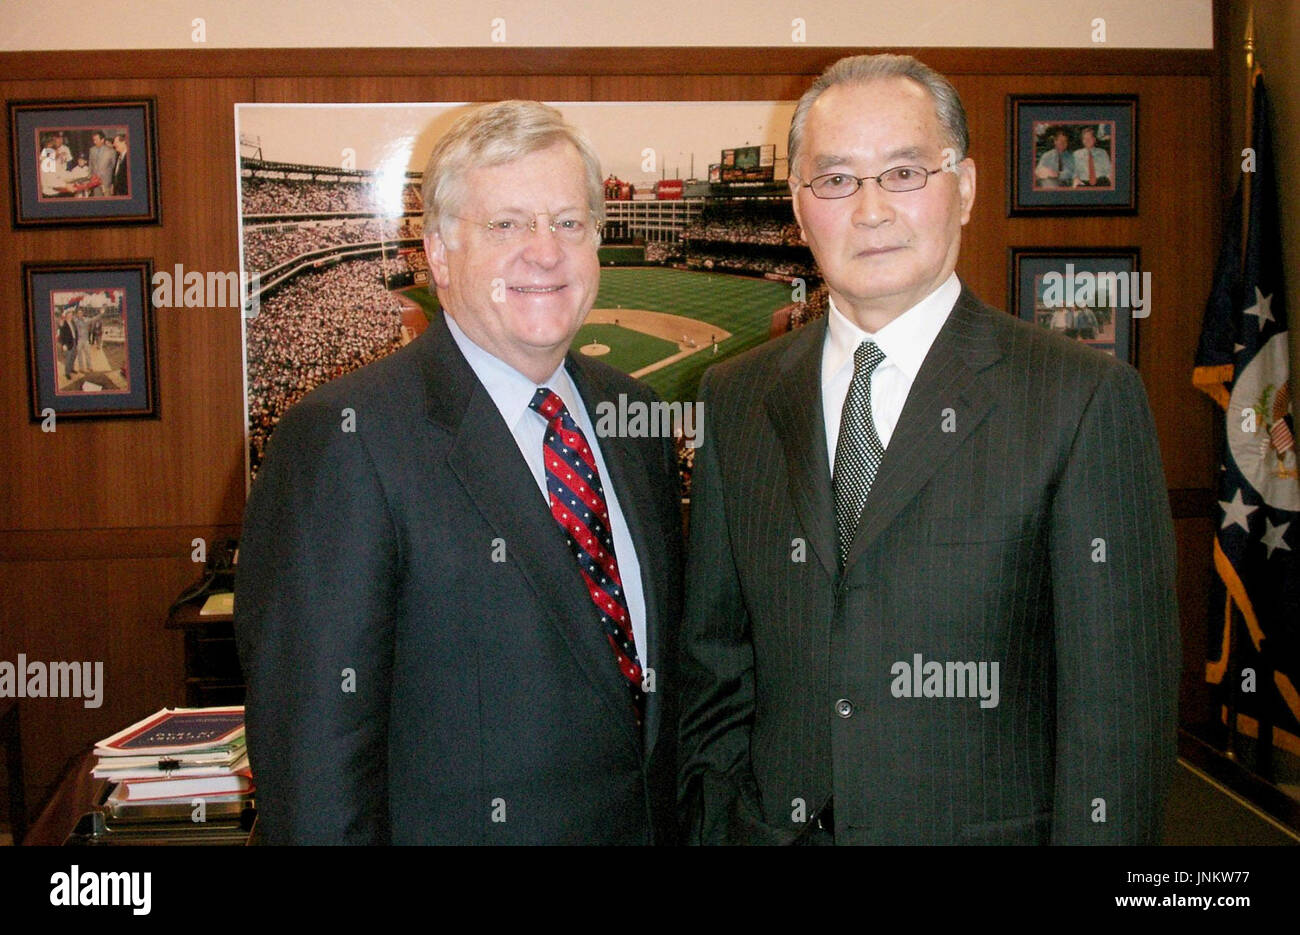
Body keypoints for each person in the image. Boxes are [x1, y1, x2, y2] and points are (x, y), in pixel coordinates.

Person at [677, 54, 1179, 845]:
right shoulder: (735, 397)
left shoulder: (1080, 399)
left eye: (905, 171)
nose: (871, 210)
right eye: (836, 181)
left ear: (967, 188)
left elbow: (1117, 719)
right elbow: (713, 664)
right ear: (801, 213)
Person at [235, 100, 683, 845]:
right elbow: (315, 782)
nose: (544, 251)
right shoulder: (344, 440)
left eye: (569, 223)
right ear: (438, 252)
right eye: (506, 224)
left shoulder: (634, 420)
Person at [88, 131, 116, 197]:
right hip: (95, 183)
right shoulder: (92, 150)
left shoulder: (111, 151)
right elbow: (90, 165)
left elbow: (114, 168)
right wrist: (90, 178)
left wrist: (112, 183)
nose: (94, 142)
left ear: (102, 140)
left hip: (106, 183)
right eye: (93, 140)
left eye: (96, 140)